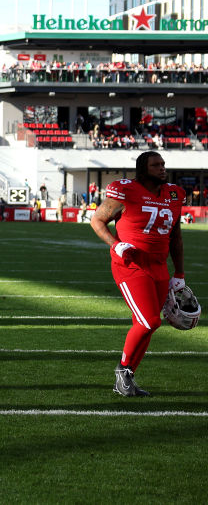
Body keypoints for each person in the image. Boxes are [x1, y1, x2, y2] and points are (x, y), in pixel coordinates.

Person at [90, 151, 185, 396]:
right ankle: (122, 371)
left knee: (146, 325)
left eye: (163, 164)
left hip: (159, 266)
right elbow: (97, 220)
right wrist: (115, 244)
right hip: (131, 265)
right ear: (143, 169)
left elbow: (175, 237)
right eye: (156, 165)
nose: (162, 168)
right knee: (149, 321)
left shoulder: (173, 194)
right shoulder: (126, 191)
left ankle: (127, 379)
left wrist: (180, 273)